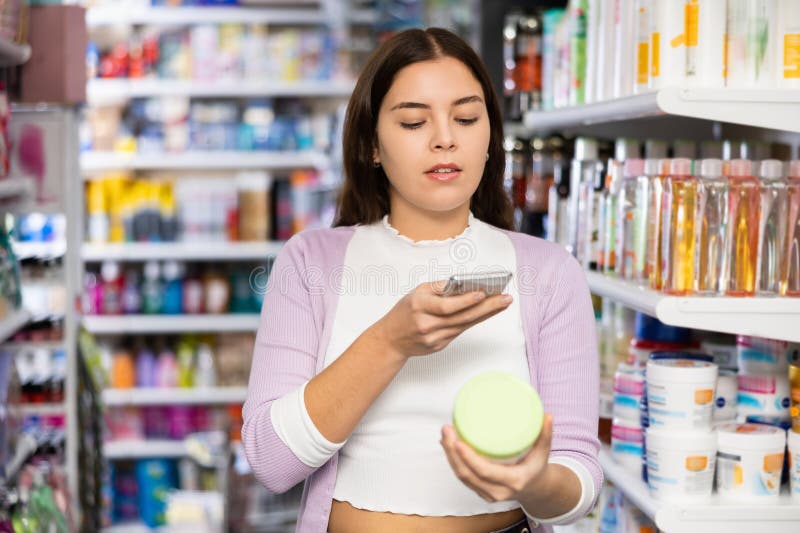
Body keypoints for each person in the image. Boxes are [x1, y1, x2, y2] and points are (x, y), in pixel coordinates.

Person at [242, 27, 600, 533]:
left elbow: (578, 478)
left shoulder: (548, 273)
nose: (445, 138)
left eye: (467, 118)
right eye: (414, 121)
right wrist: (391, 340)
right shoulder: (311, 262)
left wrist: (532, 483)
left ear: (490, 136)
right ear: (371, 144)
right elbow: (271, 462)